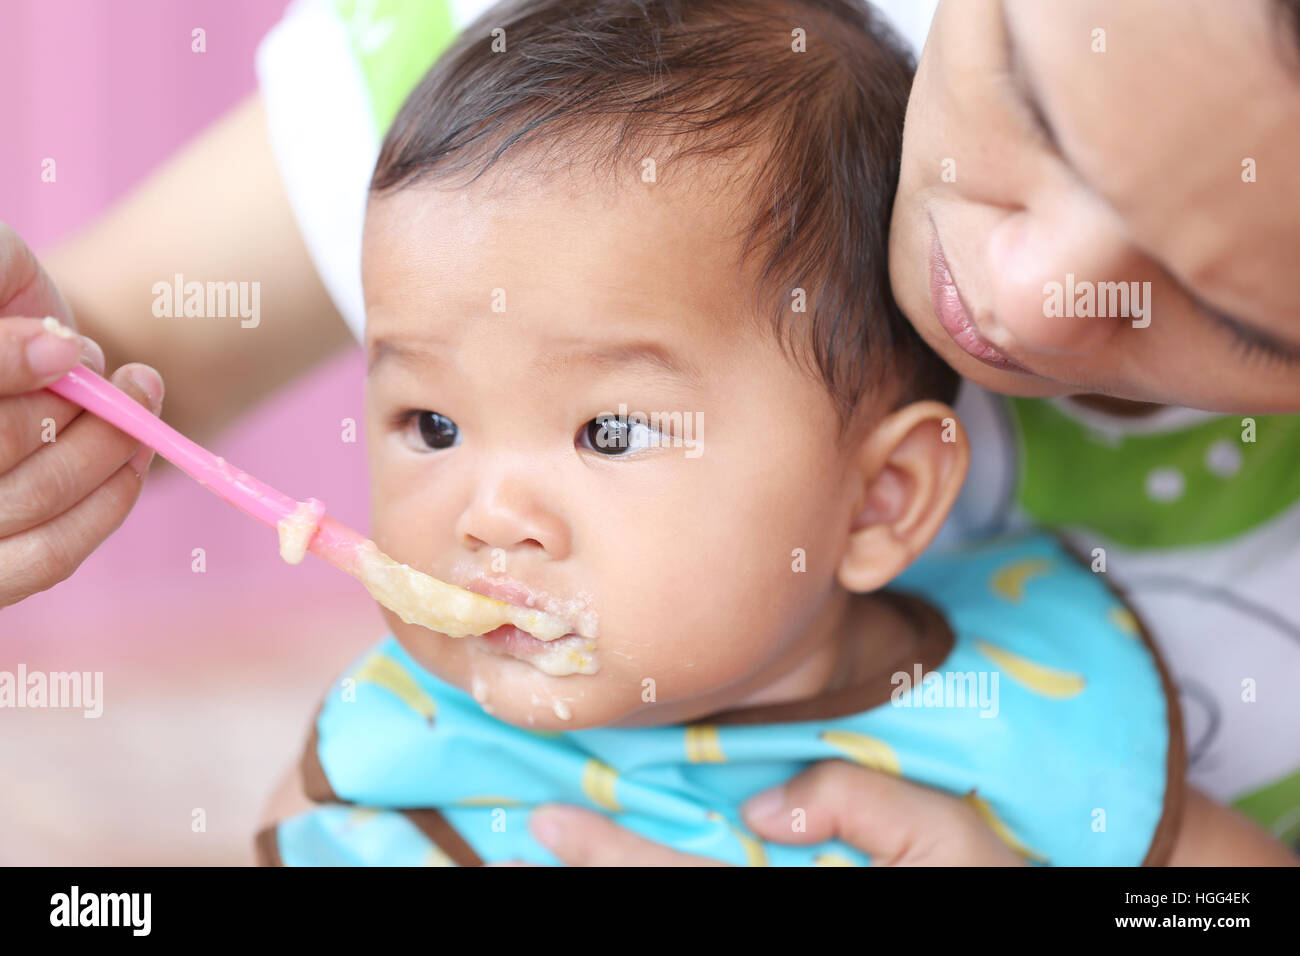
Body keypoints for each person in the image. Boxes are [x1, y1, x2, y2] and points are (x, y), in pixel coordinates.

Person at [2, 0, 1296, 862]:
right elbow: (107, 341)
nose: (1026, 298)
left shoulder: (1031, 705)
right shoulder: (392, 766)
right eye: (432, 421)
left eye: (1229, 308)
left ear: (883, 497)